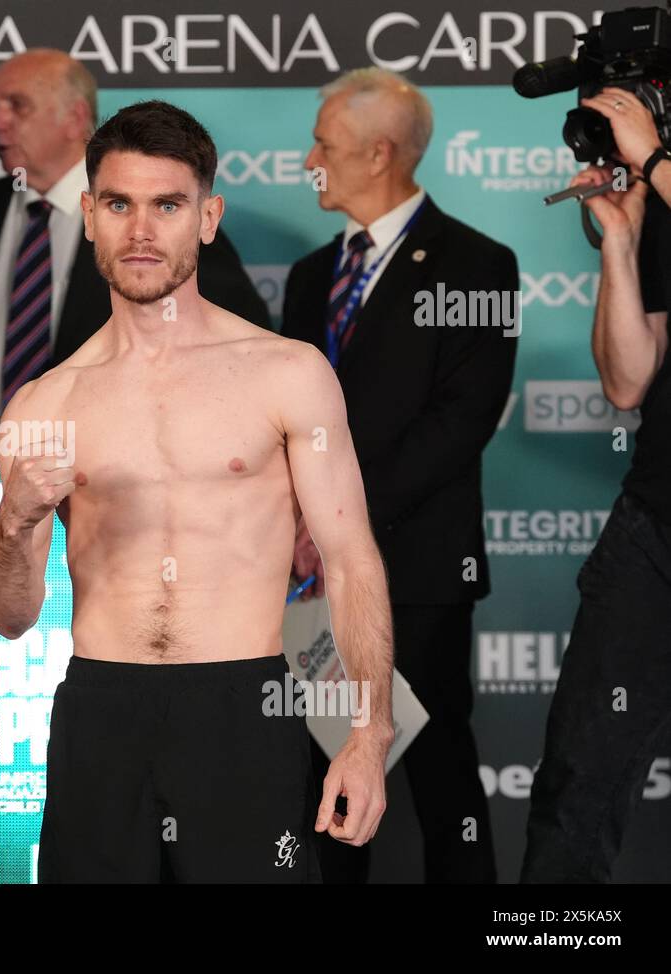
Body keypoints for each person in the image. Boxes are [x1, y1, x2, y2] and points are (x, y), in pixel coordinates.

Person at [0, 101, 394, 883]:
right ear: (90, 215)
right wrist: (14, 523)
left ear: (208, 218)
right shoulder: (43, 404)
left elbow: (350, 561)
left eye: (167, 205)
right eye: (119, 204)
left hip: (245, 707)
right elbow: (10, 616)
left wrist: (367, 736)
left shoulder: (287, 373)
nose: (141, 230)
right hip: (101, 711)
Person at [281, 67, 517, 884]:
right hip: (313, 582)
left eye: (324, 142)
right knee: (326, 773)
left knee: (439, 772)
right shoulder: (314, 276)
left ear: (378, 153)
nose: (309, 157)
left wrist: (331, 520)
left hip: (417, 572)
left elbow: (459, 426)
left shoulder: (479, 266)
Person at [0, 49, 269, 453]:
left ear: (74, 118)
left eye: (16, 106)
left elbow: (242, 349)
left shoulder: (182, 229)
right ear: (90, 214)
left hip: (107, 465)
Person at [522, 85, 671, 883]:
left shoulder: (660, 162)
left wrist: (650, 155)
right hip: (655, 526)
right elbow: (627, 379)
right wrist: (621, 239)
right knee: (580, 779)